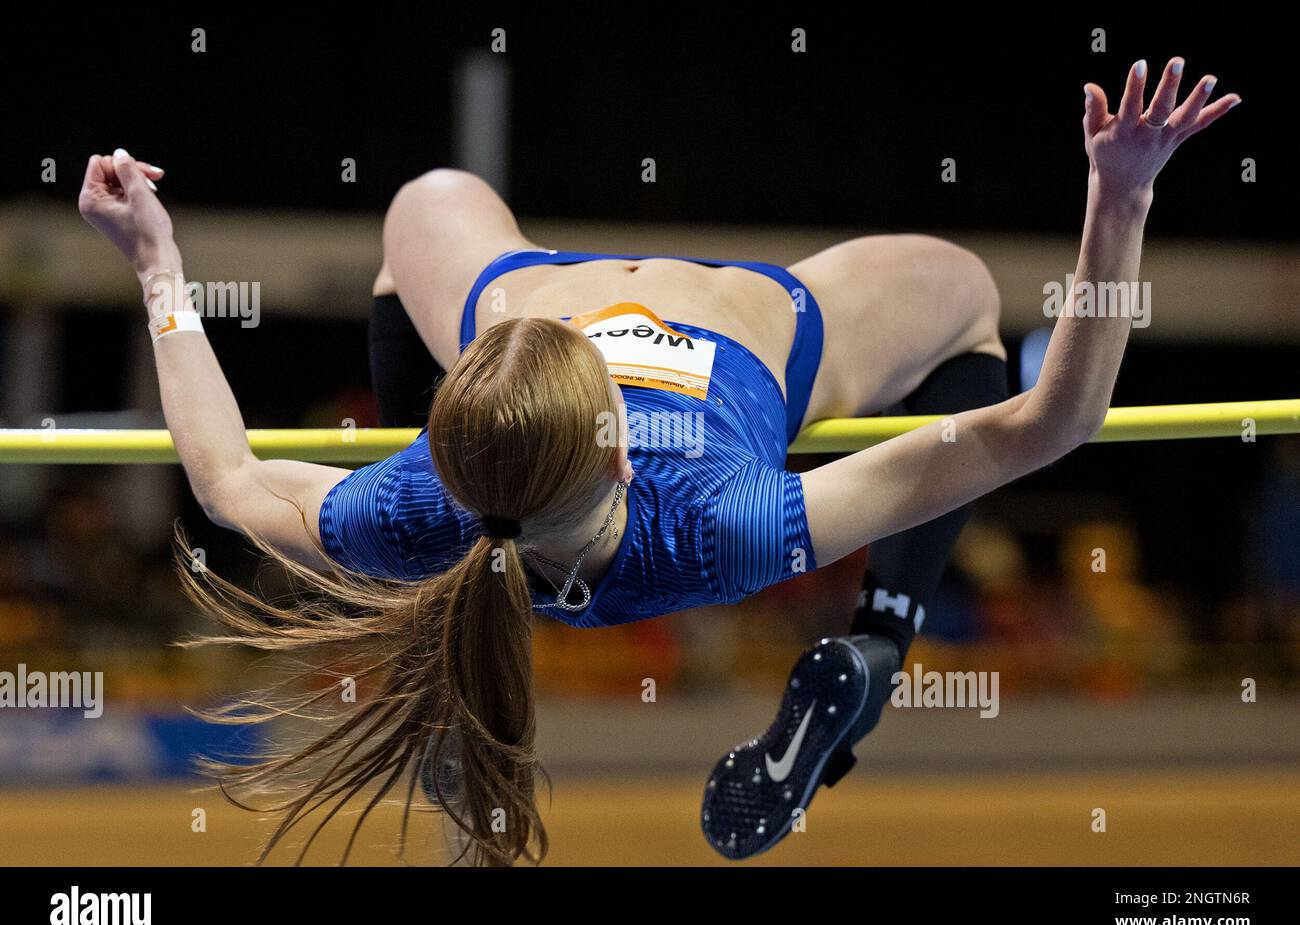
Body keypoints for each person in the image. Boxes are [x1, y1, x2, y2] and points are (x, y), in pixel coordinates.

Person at [76, 57, 1238, 865]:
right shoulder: (724, 520)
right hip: (754, 323)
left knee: (421, 211)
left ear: (455, 432)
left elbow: (226, 476)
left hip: (523, 304)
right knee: (969, 303)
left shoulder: (424, 502)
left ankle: (425, 633)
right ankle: (879, 644)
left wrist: (157, 268)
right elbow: (1045, 421)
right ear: (624, 454)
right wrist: (1116, 200)